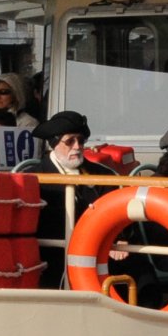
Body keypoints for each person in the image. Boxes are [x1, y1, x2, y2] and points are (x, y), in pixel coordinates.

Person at [18, 111, 120, 285]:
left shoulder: (103, 175)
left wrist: (119, 238)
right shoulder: (33, 178)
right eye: (70, 141)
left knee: (137, 272)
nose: (77, 146)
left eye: (81, 140)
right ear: (54, 144)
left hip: (98, 251)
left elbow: (117, 210)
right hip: (51, 255)